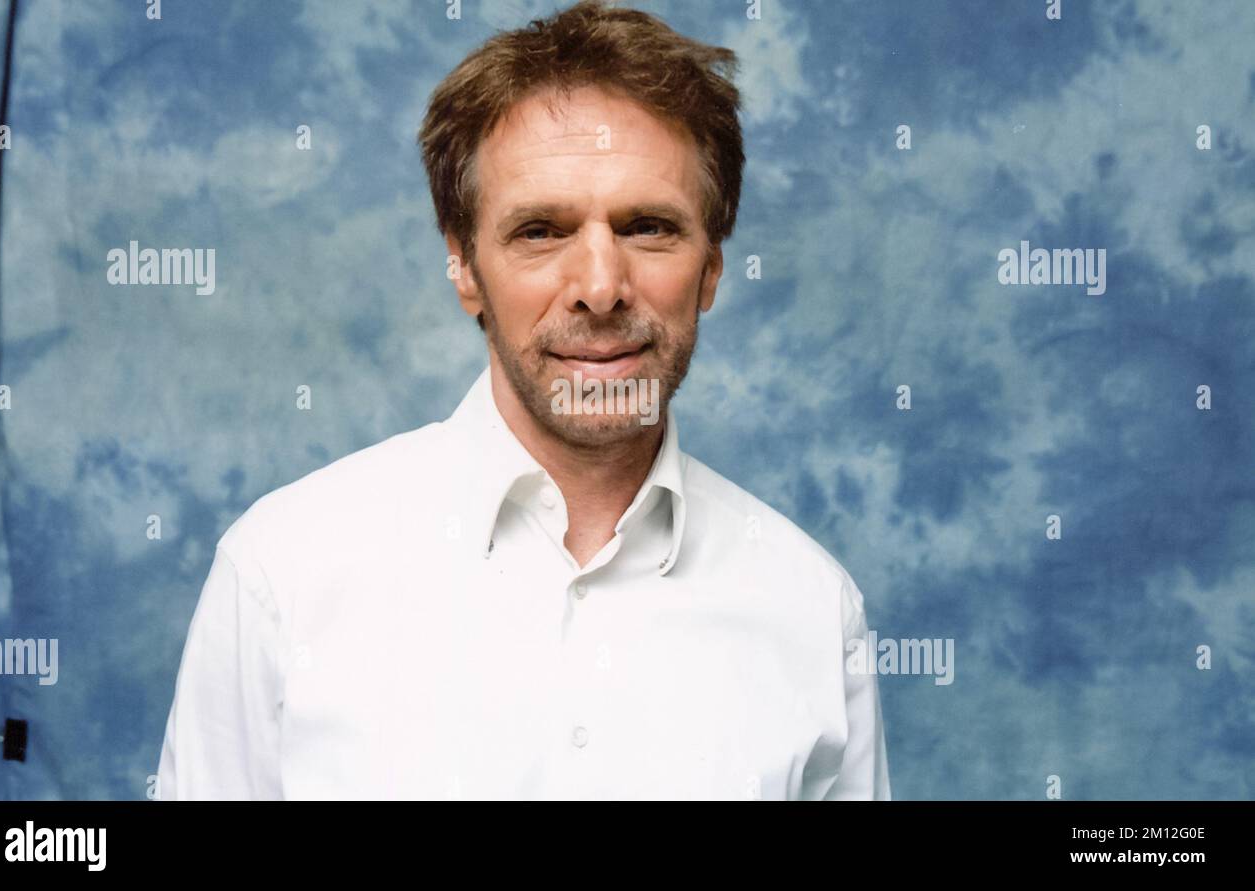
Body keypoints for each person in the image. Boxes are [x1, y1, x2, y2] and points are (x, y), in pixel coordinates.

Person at [156, 0, 890, 800]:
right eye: (541, 231)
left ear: (711, 269)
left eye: (648, 227)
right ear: (465, 268)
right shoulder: (281, 575)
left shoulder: (812, 611)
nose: (601, 287)